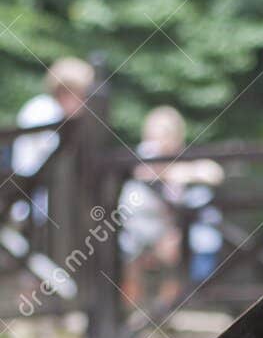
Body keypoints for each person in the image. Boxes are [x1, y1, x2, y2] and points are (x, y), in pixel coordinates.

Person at [119, 106, 223, 311]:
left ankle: (165, 312)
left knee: (182, 245)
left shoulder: (182, 159)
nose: (161, 140)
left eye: (167, 134)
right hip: (139, 228)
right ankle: (131, 313)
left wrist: (186, 172)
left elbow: (214, 173)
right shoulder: (144, 158)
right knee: (130, 249)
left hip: (171, 230)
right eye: (157, 134)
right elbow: (146, 174)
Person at [11, 57, 94, 182]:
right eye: (82, 95)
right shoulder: (43, 110)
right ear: (64, 91)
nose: (85, 102)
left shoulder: (59, 114)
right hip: (33, 191)